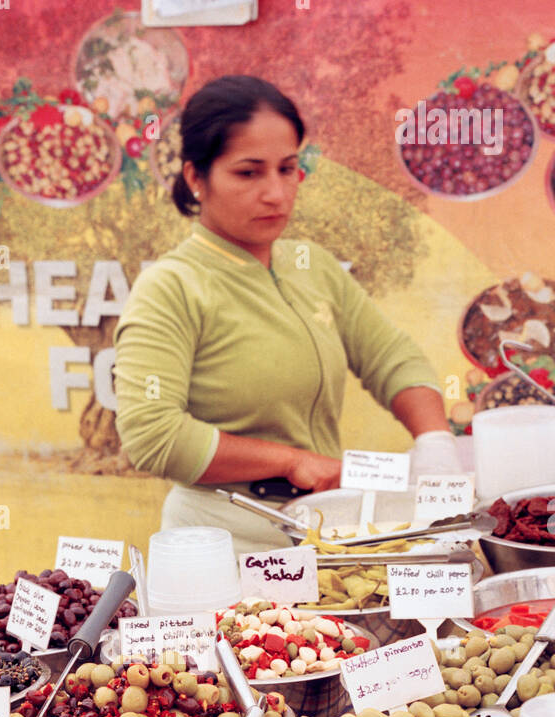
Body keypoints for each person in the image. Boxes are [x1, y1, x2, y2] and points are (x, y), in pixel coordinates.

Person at [114, 75, 459, 553]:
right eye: (248, 173)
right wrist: (291, 461)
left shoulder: (311, 265)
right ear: (196, 178)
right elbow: (152, 434)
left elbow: (391, 357)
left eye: (288, 168)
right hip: (224, 543)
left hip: (325, 533)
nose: (276, 193)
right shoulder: (171, 287)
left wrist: (435, 441)